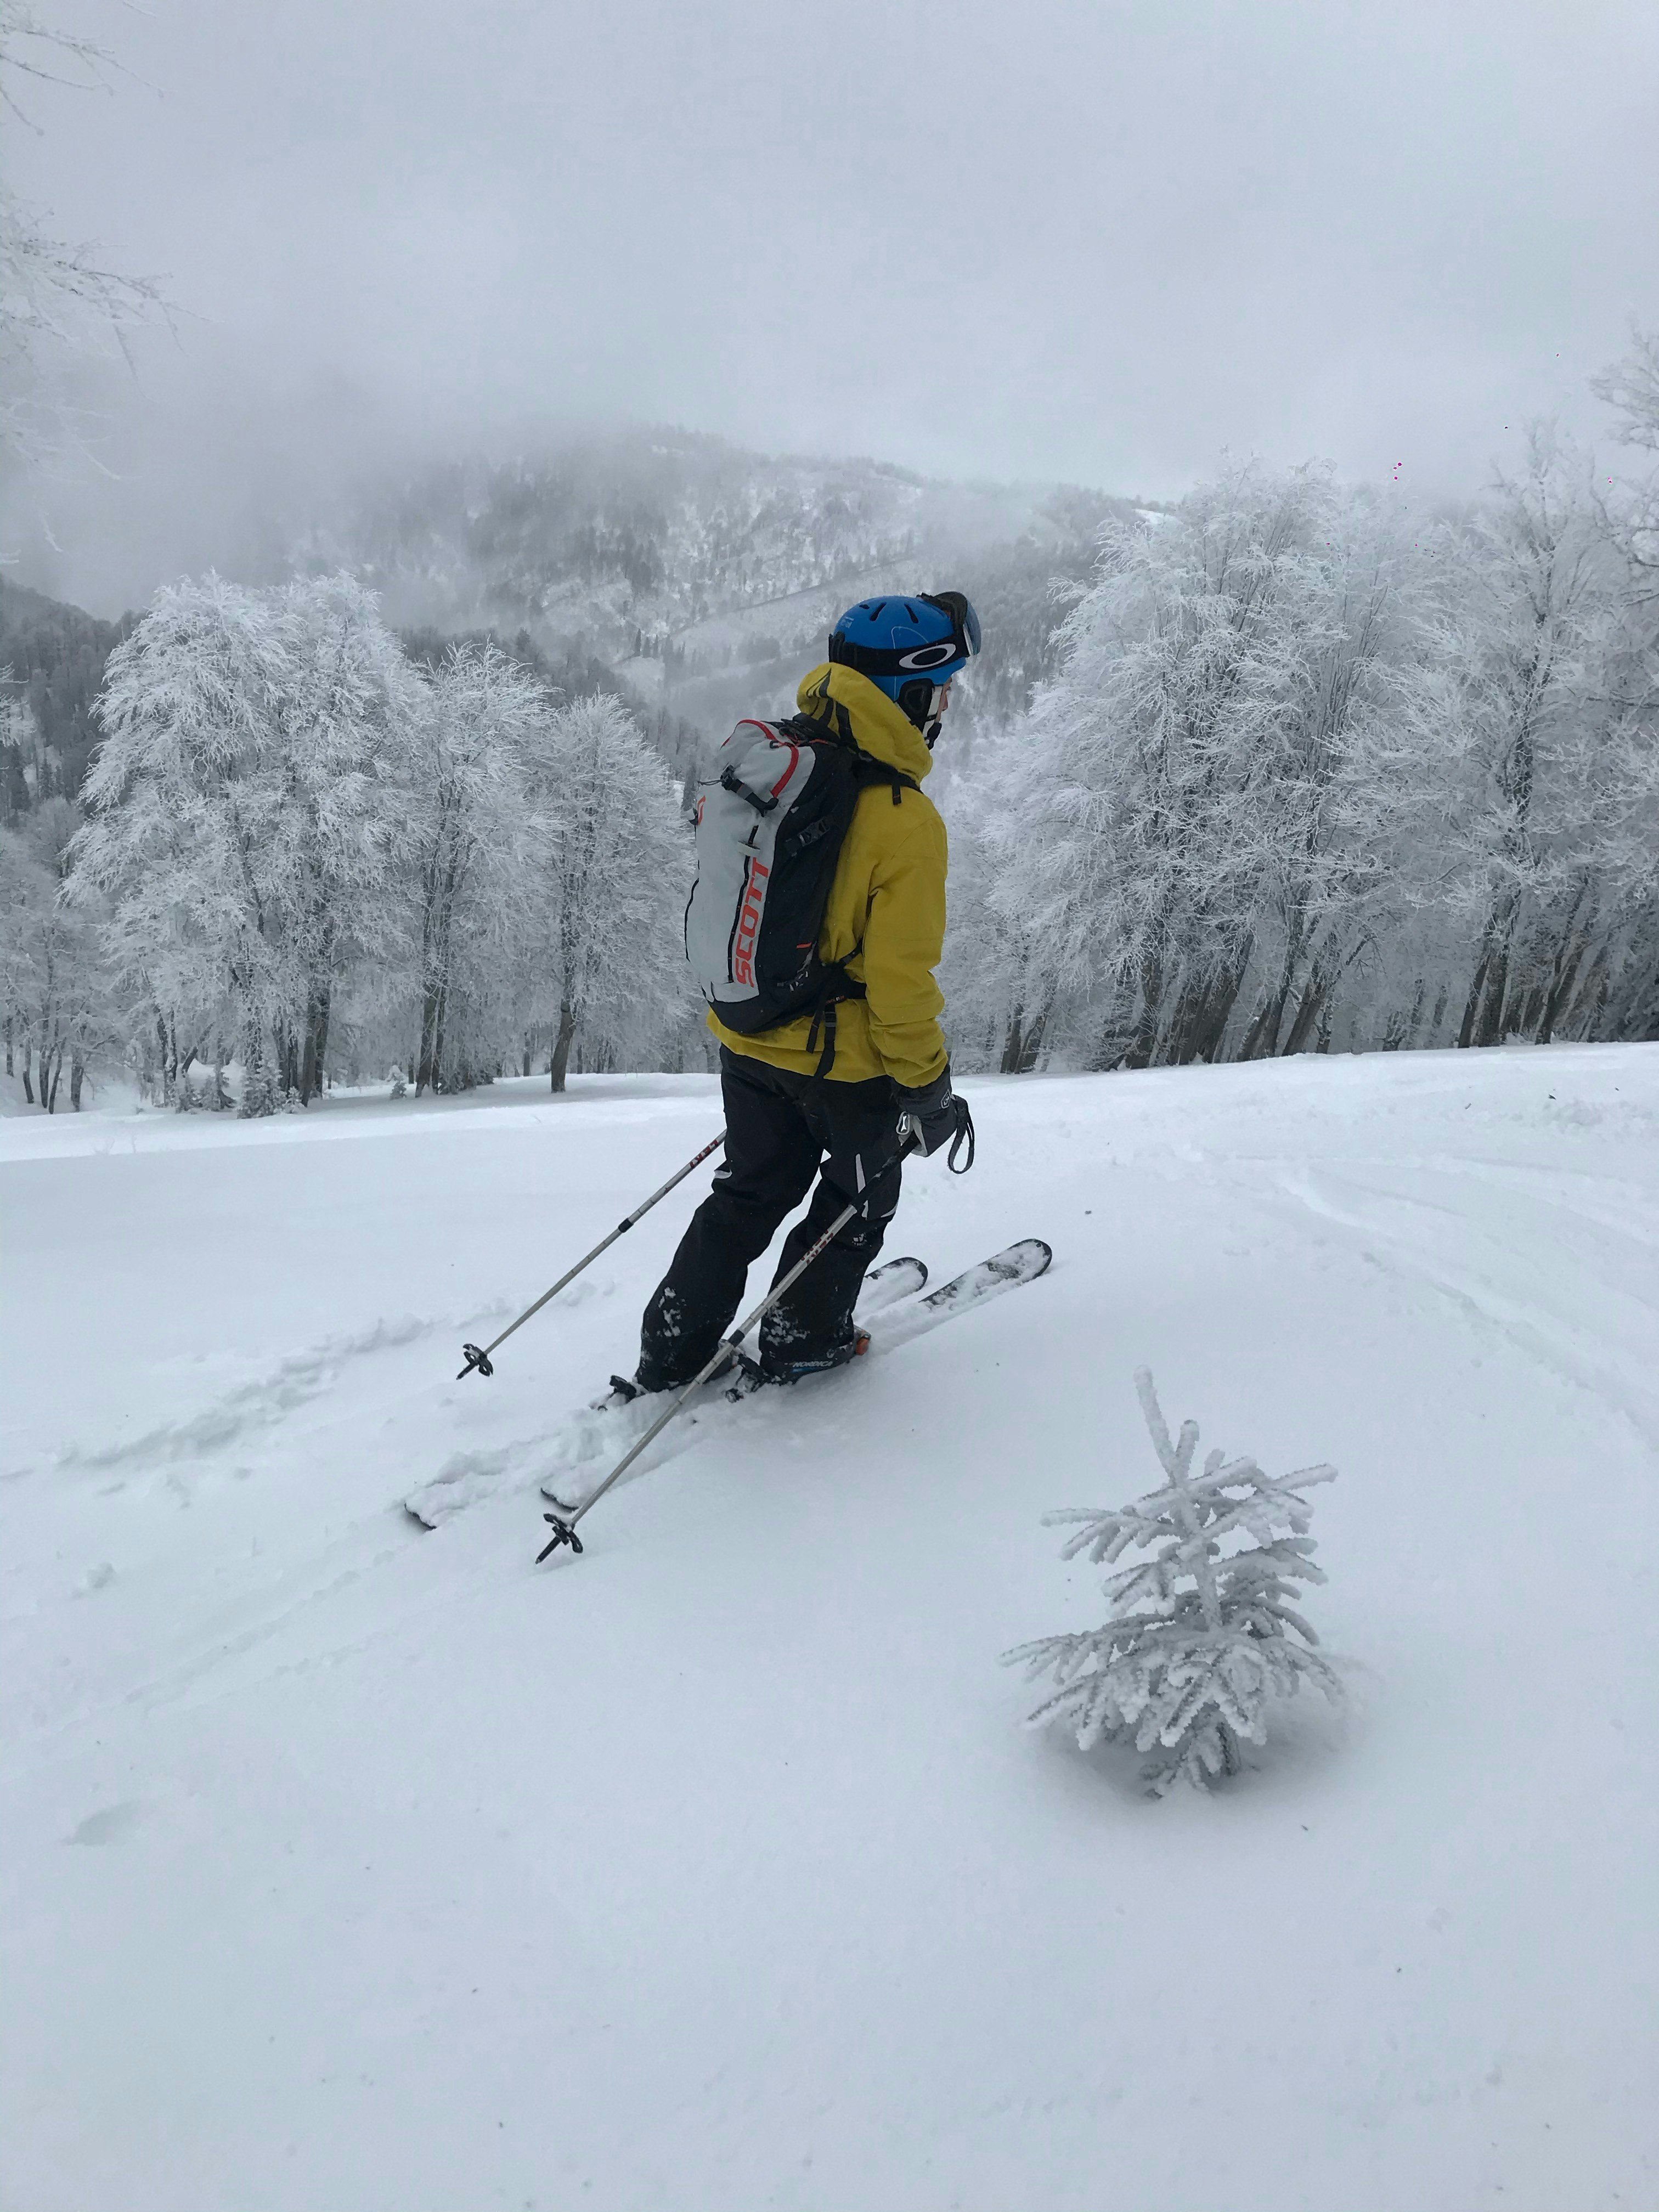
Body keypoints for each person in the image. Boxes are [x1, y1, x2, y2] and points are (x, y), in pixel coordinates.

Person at [629, 591, 980, 1395]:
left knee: (747, 1193)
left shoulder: (781, 767)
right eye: (940, 690)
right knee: (860, 1202)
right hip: (842, 1069)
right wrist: (927, 1089)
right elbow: (900, 985)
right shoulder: (904, 821)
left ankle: (671, 1349)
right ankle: (802, 1338)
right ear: (908, 695)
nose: (946, 706)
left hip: (748, 1038)